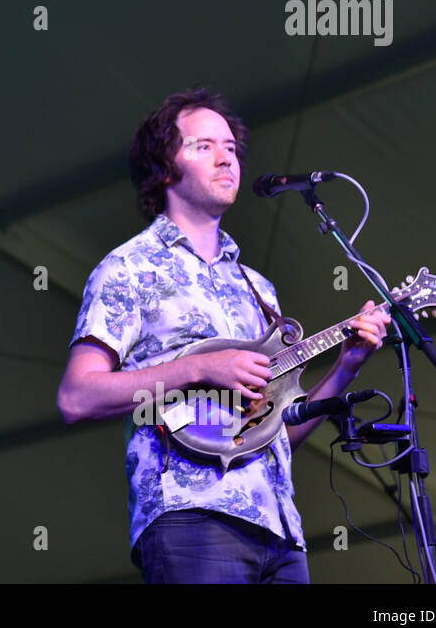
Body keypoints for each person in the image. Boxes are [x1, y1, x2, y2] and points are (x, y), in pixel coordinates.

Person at [56, 86, 390, 584]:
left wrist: (345, 367)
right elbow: (76, 397)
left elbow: (274, 432)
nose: (226, 158)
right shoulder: (130, 267)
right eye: (204, 146)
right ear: (164, 167)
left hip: (280, 531)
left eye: (231, 148)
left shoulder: (258, 290)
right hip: (191, 518)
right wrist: (199, 368)